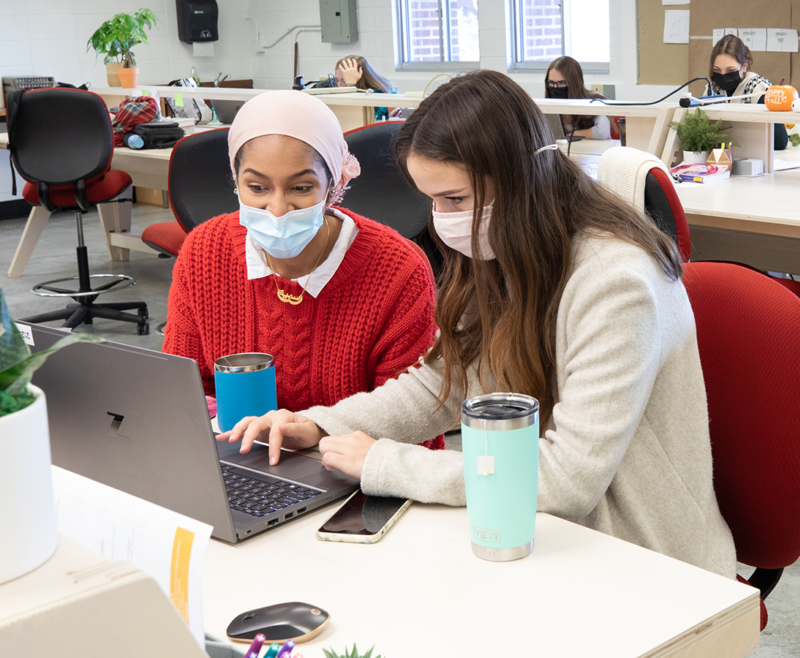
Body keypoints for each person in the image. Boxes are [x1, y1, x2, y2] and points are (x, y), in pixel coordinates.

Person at [225, 71, 737, 578]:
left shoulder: (615, 282)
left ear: (520, 180)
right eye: (432, 199)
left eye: (454, 200)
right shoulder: (502, 243)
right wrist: (320, 424)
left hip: (639, 555)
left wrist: (384, 463)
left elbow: (568, 478)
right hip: (541, 526)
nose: (441, 220)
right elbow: (443, 384)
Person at [163, 90, 442, 450]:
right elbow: (181, 392)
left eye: (301, 187)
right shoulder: (204, 252)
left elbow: (416, 429)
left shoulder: (397, 271)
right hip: (237, 461)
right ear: (235, 181)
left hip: (354, 475)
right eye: (257, 187)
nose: (277, 209)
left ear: (334, 186)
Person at [708, 35, 788, 150]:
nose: (723, 75)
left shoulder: (758, 88)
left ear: (744, 67)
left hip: (756, 155)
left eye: (730, 70)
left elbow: (780, 141)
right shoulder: (712, 89)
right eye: (717, 70)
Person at [544, 56, 611, 140]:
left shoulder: (594, 101)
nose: (555, 87)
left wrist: (572, 134)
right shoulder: (546, 108)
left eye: (562, 82)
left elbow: (602, 132)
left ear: (574, 83)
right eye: (551, 82)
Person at [334, 55, 400, 121]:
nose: (339, 85)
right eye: (337, 80)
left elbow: (357, 119)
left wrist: (351, 84)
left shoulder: (377, 95)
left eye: (344, 80)